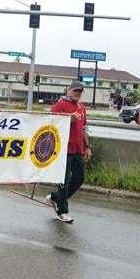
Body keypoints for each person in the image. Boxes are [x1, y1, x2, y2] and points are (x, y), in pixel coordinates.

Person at [46, 81, 92, 223]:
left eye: (80, 91)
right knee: (64, 181)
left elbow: (84, 129)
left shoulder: (82, 108)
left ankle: (55, 197)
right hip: (63, 149)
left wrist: (88, 146)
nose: (77, 93)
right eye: (75, 91)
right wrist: (68, 119)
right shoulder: (60, 105)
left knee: (79, 178)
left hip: (77, 148)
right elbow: (50, 123)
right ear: (68, 90)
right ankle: (62, 211)